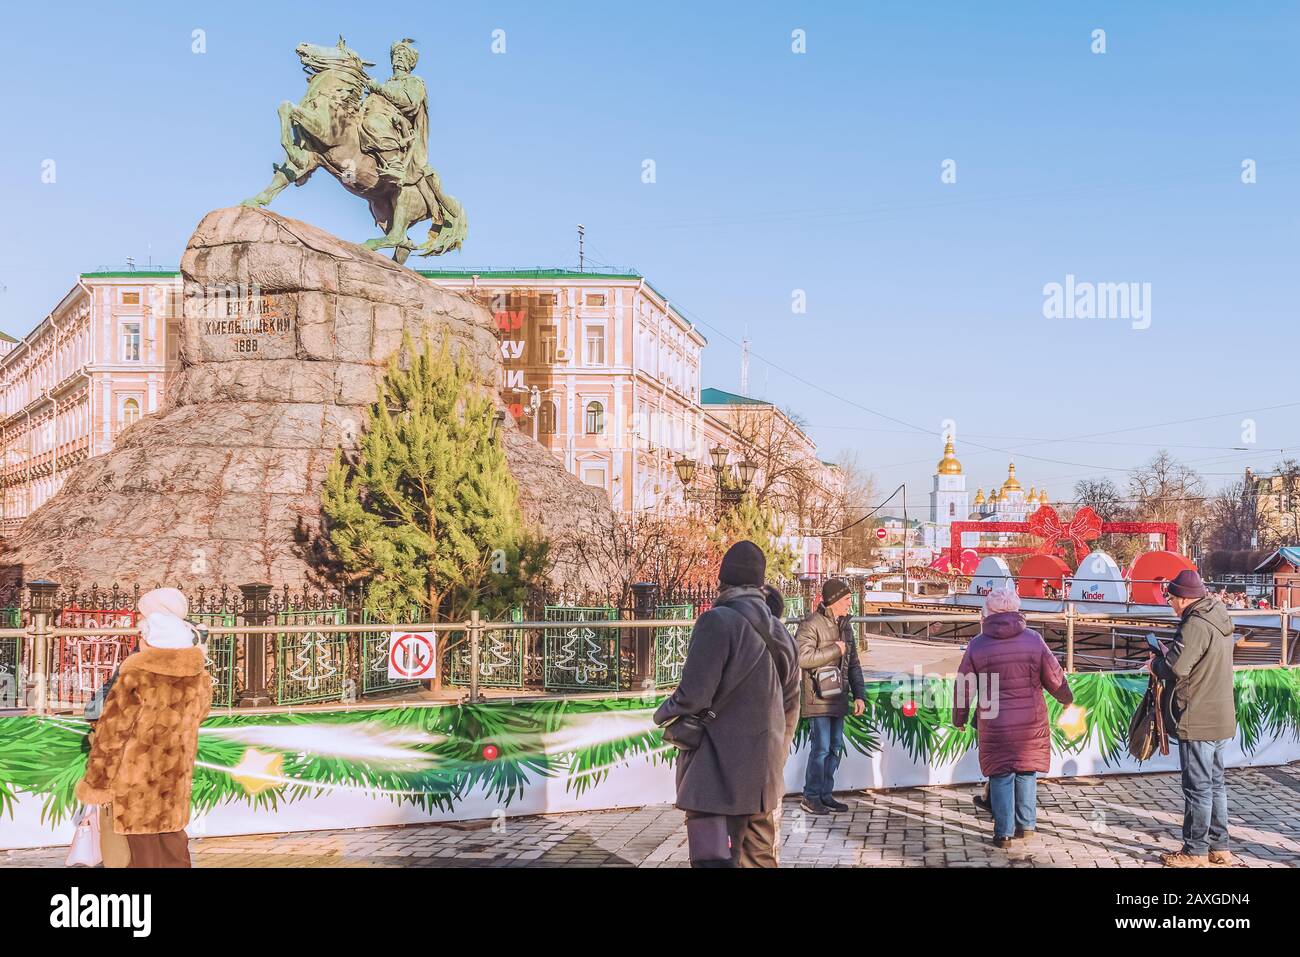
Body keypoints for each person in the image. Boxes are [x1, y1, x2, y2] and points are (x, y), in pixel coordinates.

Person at [653, 542, 799, 867]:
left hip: (716, 775)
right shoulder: (781, 632)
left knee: (712, 859)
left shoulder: (717, 621)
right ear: (761, 584)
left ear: (723, 581)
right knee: (759, 859)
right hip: (763, 779)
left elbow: (693, 695)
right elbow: (791, 706)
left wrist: (661, 713)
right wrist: (777, 754)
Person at [75, 588, 212, 868]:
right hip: (174, 779)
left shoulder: (136, 676)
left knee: (141, 854)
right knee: (174, 846)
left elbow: (111, 736)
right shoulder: (199, 677)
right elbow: (199, 715)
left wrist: (97, 784)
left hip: (134, 782)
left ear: (150, 638)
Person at [954, 587, 1073, 847]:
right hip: (1030, 721)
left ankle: (1003, 833)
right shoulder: (1033, 639)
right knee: (1026, 771)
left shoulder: (977, 644)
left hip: (994, 721)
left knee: (1000, 774)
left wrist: (960, 718)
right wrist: (1066, 699)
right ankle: (1026, 826)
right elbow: (1053, 676)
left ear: (988, 613)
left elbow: (964, 685)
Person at [1149, 569, 1237, 868]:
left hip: (1198, 715)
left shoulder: (1195, 625)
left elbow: (1176, 669)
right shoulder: (1218, 617)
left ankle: (1195, 850)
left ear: (1184, 599)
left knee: (1197, 787)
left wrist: (1156, 663)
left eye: (1171, 598)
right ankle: (1219, 847)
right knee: (1215, 784)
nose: (1170, 604)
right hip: (1220, 713)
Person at [795, 578, 865, 815]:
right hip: (818, 696)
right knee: (821, 748)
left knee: (834, 747)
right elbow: (801, 657)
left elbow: (853, 664)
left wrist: (859, 695)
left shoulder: (846, 625)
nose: (849, 604)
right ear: (834, 600)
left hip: (839, 696)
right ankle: (811, 796)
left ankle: (825, 794)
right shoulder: (811, 624)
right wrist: (835, 649)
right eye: (846, 600)